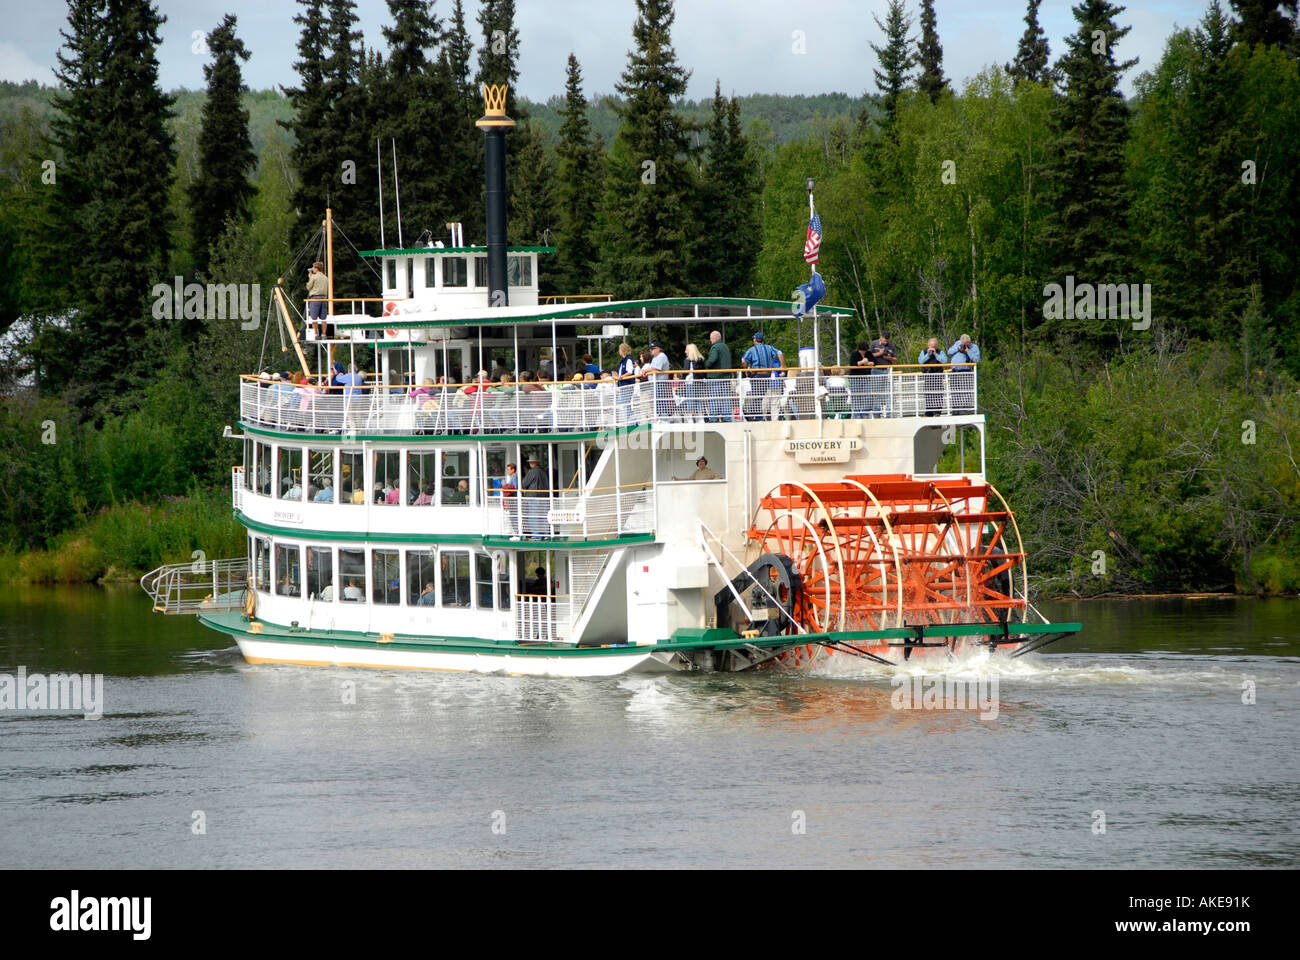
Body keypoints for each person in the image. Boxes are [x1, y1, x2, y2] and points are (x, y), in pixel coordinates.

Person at [740, 332, 784, 420]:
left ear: (755, 340)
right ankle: (754, 415)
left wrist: (746, 371)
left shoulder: (752, 350)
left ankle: (756, 417)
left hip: (756, 376)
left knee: (757, 397)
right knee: (759, 397)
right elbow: (780, 352)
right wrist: (783, 366)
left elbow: (743, 360)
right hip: (766, 376)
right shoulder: (769, 348)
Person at [918, 337, 948, 416]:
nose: (932, 348)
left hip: (938, 376)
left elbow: (944, 361)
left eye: (934, 347)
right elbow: (920, 362)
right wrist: (928, 354)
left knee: (938, 393)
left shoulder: (940, 352)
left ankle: (938, 411)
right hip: (928, 376)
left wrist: (936, 354)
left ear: (936, 346)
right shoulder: (923, 352)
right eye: (931, 346)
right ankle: (929, 411)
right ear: (928, 346)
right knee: (928, 393)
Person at [521, 455, 548, 539]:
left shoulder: (532, 472)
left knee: (534, 517)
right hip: (543, 497)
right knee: (543, 516)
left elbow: (524, 484)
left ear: (532, 463)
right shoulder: (543, 471)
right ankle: (545, 534)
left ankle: (536, 536)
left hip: (533, 497)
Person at [306, 261, 329, 339]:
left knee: (314, 317)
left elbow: (308, 287)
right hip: (324, 298)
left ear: (316, 268)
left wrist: (310, 278)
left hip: (315, 298)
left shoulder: (314, 277)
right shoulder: (326, 278)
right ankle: (324, 334)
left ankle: (316, 333)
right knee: (323, 318)